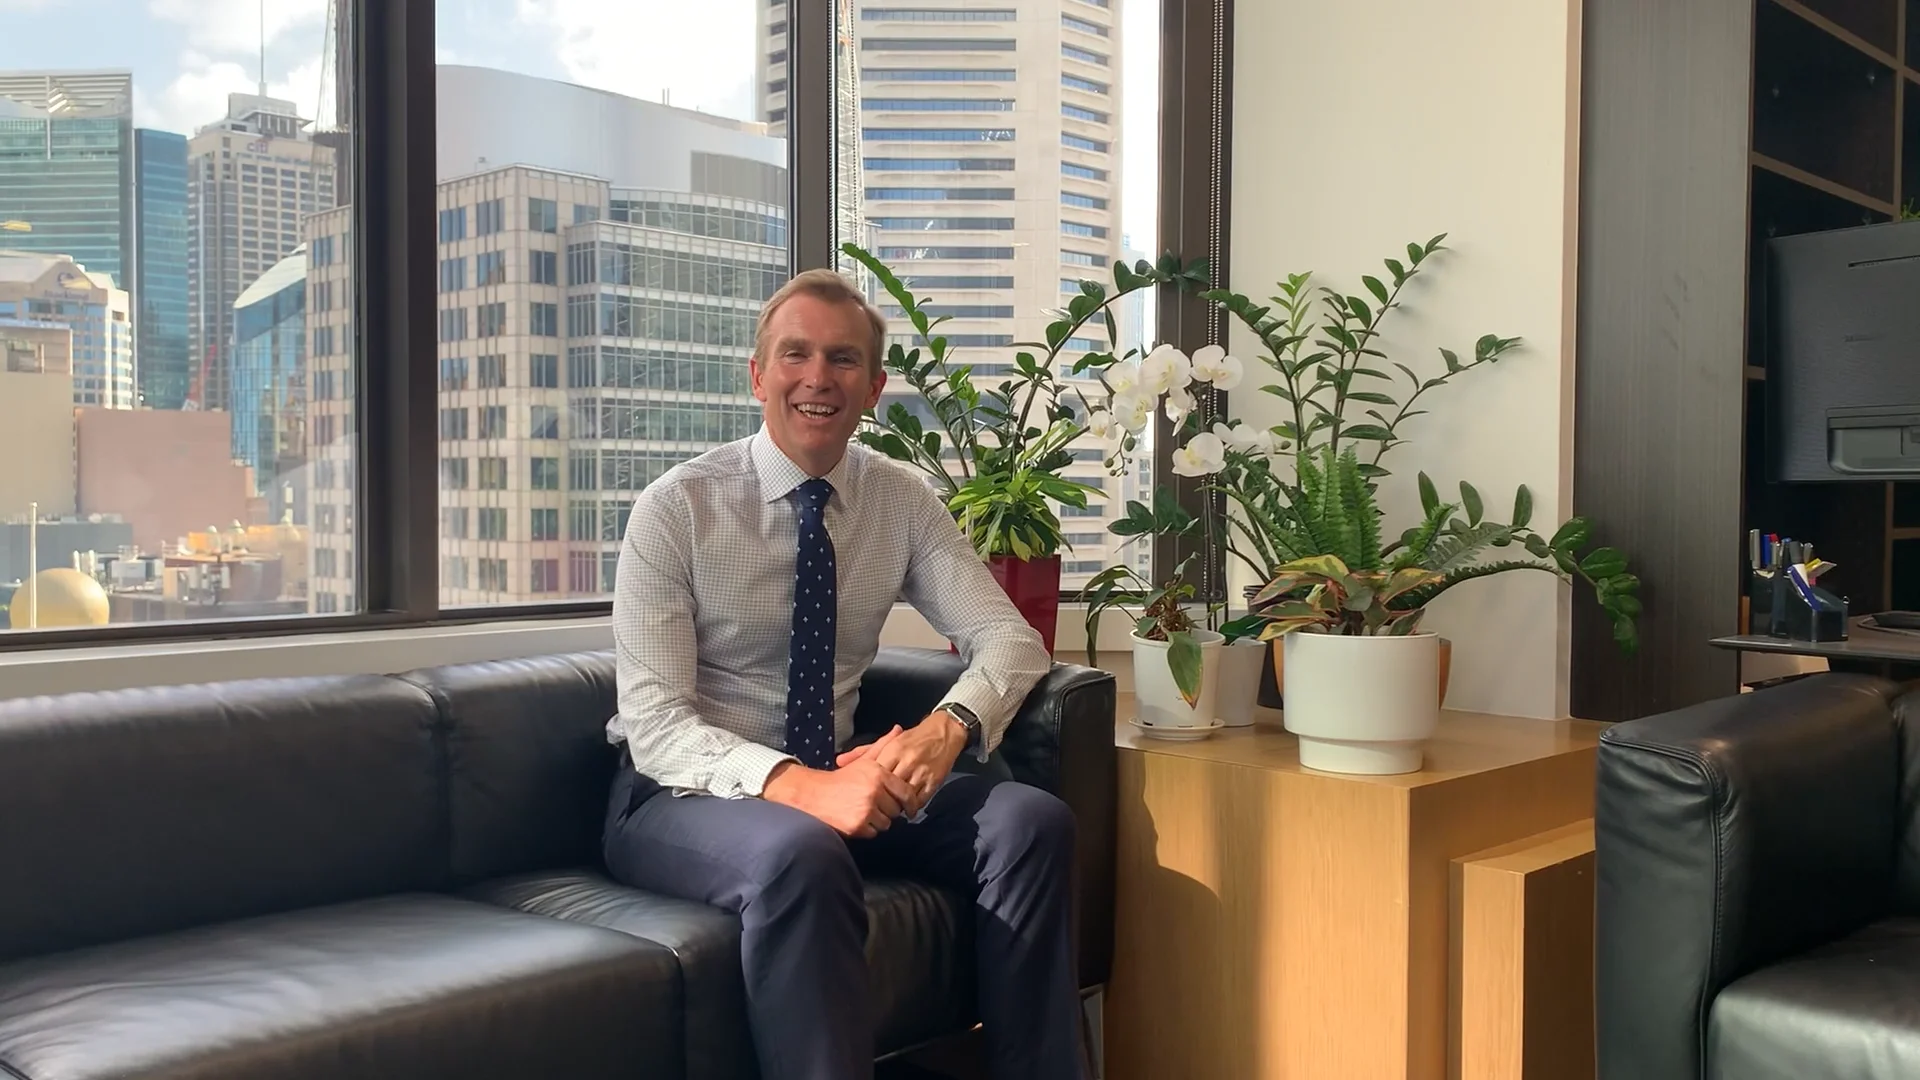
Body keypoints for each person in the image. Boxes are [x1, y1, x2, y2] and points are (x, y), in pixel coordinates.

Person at [602, 267, 1084, 1080]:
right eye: (795, 355)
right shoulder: (676, 508)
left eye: (843, 359)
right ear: (758, 376)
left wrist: (946, 730)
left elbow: (1009, 638)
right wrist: (799, 784)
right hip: (677, 795)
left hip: (840, 771)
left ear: (875, 386)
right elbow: (656, 726)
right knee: (802, 851)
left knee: (1030, 825)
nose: (818, 378)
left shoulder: (899, 501)